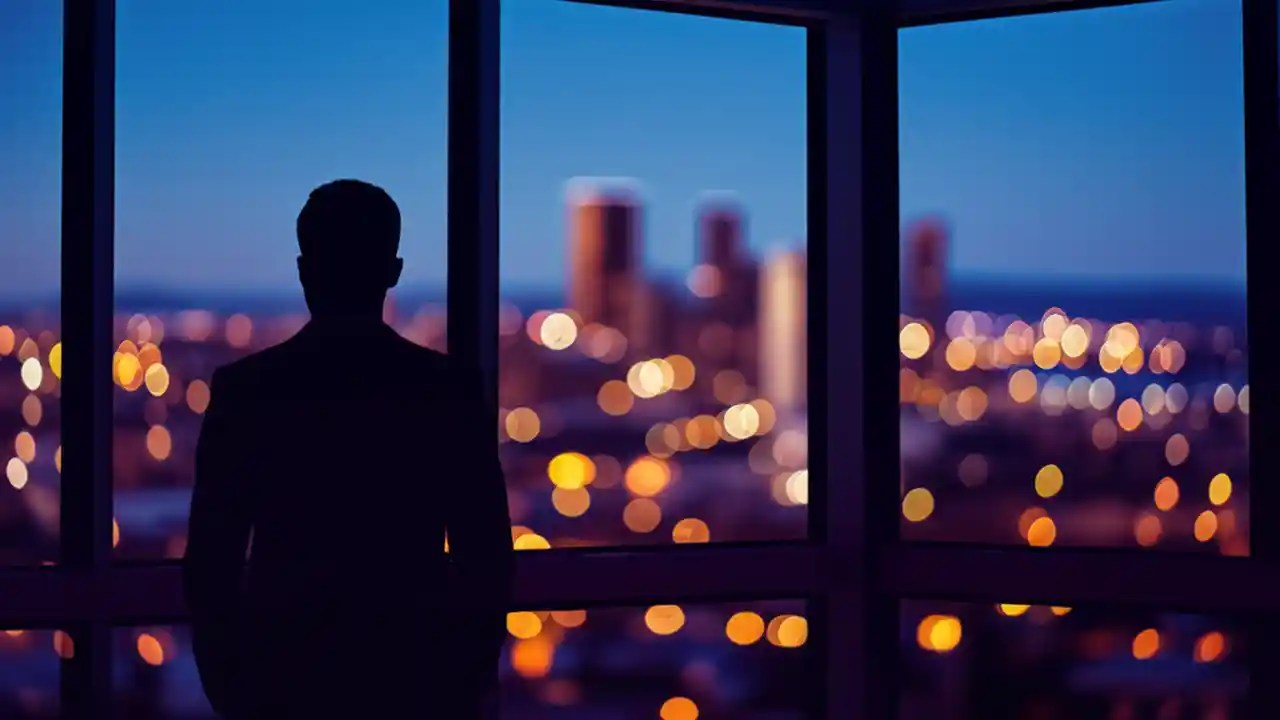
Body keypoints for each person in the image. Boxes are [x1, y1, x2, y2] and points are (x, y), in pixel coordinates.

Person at [183, 180, 513, 719]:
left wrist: (234, 691)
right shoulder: (446, 390)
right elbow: (486, 558)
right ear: (393, 271)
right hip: (413, 682)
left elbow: (211, 565)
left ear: (304, 269)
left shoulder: (247, 390)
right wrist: (461, 681)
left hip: (284, 685)